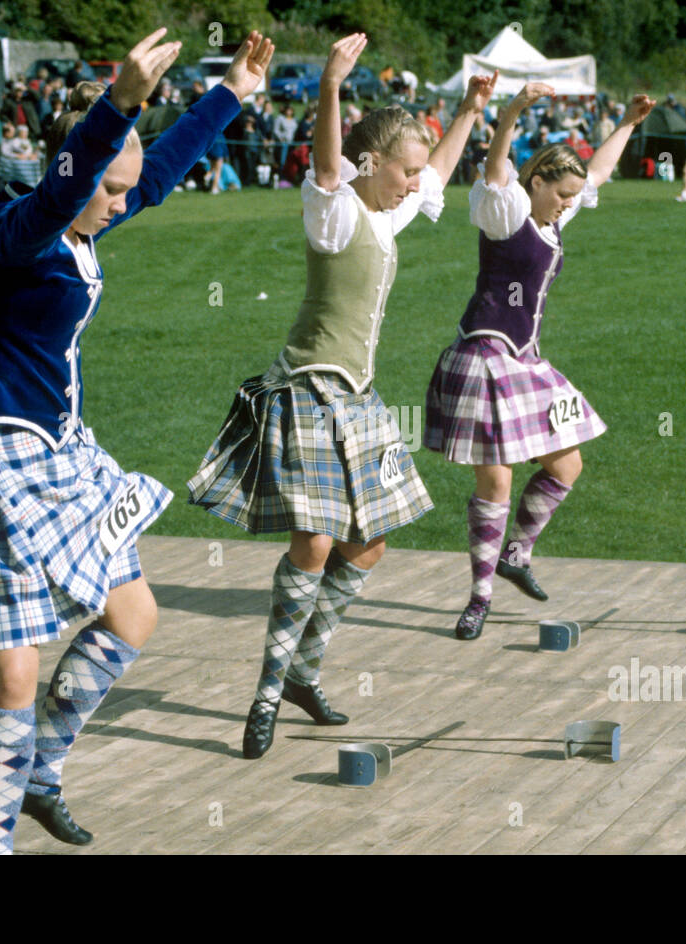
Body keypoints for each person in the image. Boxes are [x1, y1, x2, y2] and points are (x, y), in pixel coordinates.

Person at [0, 29, 271, 854]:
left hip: (67, 458)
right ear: (72, 176)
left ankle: (42, 775)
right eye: (106, 188)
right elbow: (71, 188)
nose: (122, 202)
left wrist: (232, 95)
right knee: (13, 670)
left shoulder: (81, 229)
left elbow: (150, 177)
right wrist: (116, 104)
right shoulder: (16, 234)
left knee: (135, 614)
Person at [187, 33, 496, 760]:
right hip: (305, 389)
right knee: (316, 541)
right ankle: (265, 694)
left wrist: (470, 112)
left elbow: (443, 170)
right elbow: (328, 167)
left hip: (358, 397)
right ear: (373, 163)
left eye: (417, 172)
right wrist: (330, 83)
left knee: (369, 544)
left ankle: (304, 672)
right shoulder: (334, 212)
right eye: (405, 171)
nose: (417, 183)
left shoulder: (389, 213)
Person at [423, 83, 652, 638]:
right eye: (562, 193)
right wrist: (510, 114)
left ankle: (516, 553)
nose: (570, 202)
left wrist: (627, 120)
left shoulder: (552, 218)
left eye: (573, 197)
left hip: (527, 361)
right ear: (538, 181)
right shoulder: (507, 211)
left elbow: (596, 173)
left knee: (567, 465)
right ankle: (479, 598)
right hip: (484, 357)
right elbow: (497, 168)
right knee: (495, 481)